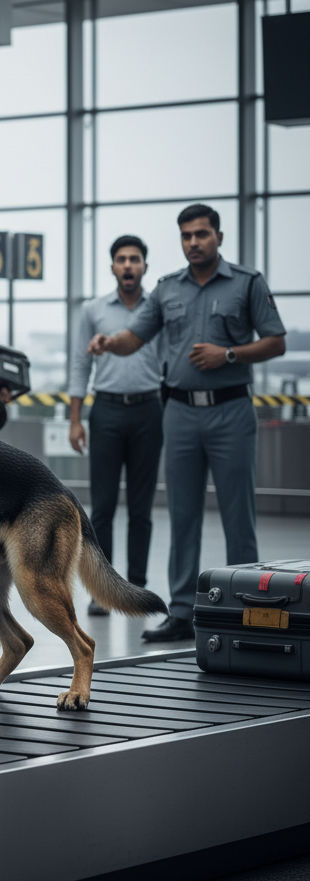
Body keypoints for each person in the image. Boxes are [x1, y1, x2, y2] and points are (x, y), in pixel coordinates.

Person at [88, 204, 286, 640]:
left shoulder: (247, 283)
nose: (193, 242)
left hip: (230, 410)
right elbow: (134, 337)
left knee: (238, 518)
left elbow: (276, 341)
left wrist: (228, 354)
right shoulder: (167, 289)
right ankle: (180, 612)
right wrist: (109, 343)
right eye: (186, 236)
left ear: (218, 237)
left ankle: (246, 610)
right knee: (182, 516)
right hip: (178, 413)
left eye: (201, 234)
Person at [69, 235, 164, 616]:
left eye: (135, 259)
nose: (128, 265)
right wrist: (75, 420)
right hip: (106, 412)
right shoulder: (93, 310)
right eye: (121, 259)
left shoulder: (156, 311)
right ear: (113, 267)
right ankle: (103, 592)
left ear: (144, 266)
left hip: (149, 411)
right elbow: (80, 364)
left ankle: (135, 587)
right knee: (103, 507)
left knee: (141, 509)